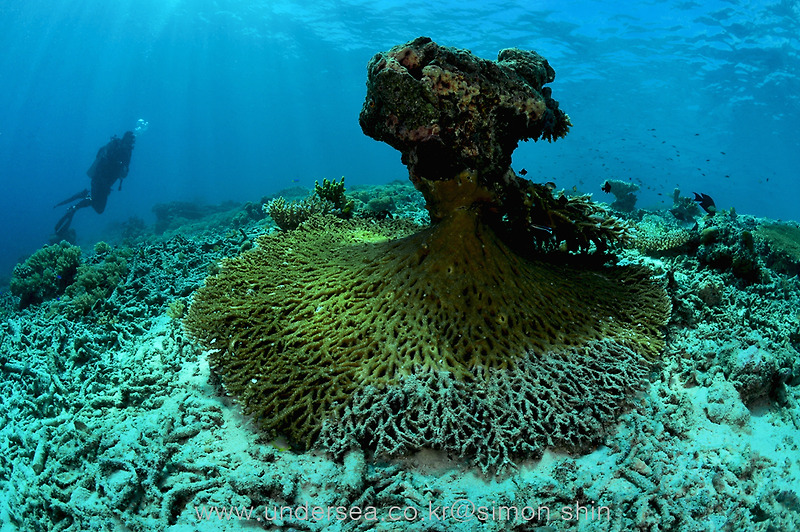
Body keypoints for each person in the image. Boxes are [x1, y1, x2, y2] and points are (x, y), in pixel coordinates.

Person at [54, 131, 136, 236]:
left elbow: (123, 172)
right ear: (126, 139)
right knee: (99, 207)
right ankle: (79, 203)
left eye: (132, 141)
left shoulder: (124, 150)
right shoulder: (118, 147)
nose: (131, 143)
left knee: (99, 208)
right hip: (100, 180)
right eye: (130, 140)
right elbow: (105, 159)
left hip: (104, 182)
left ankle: (82, 199)